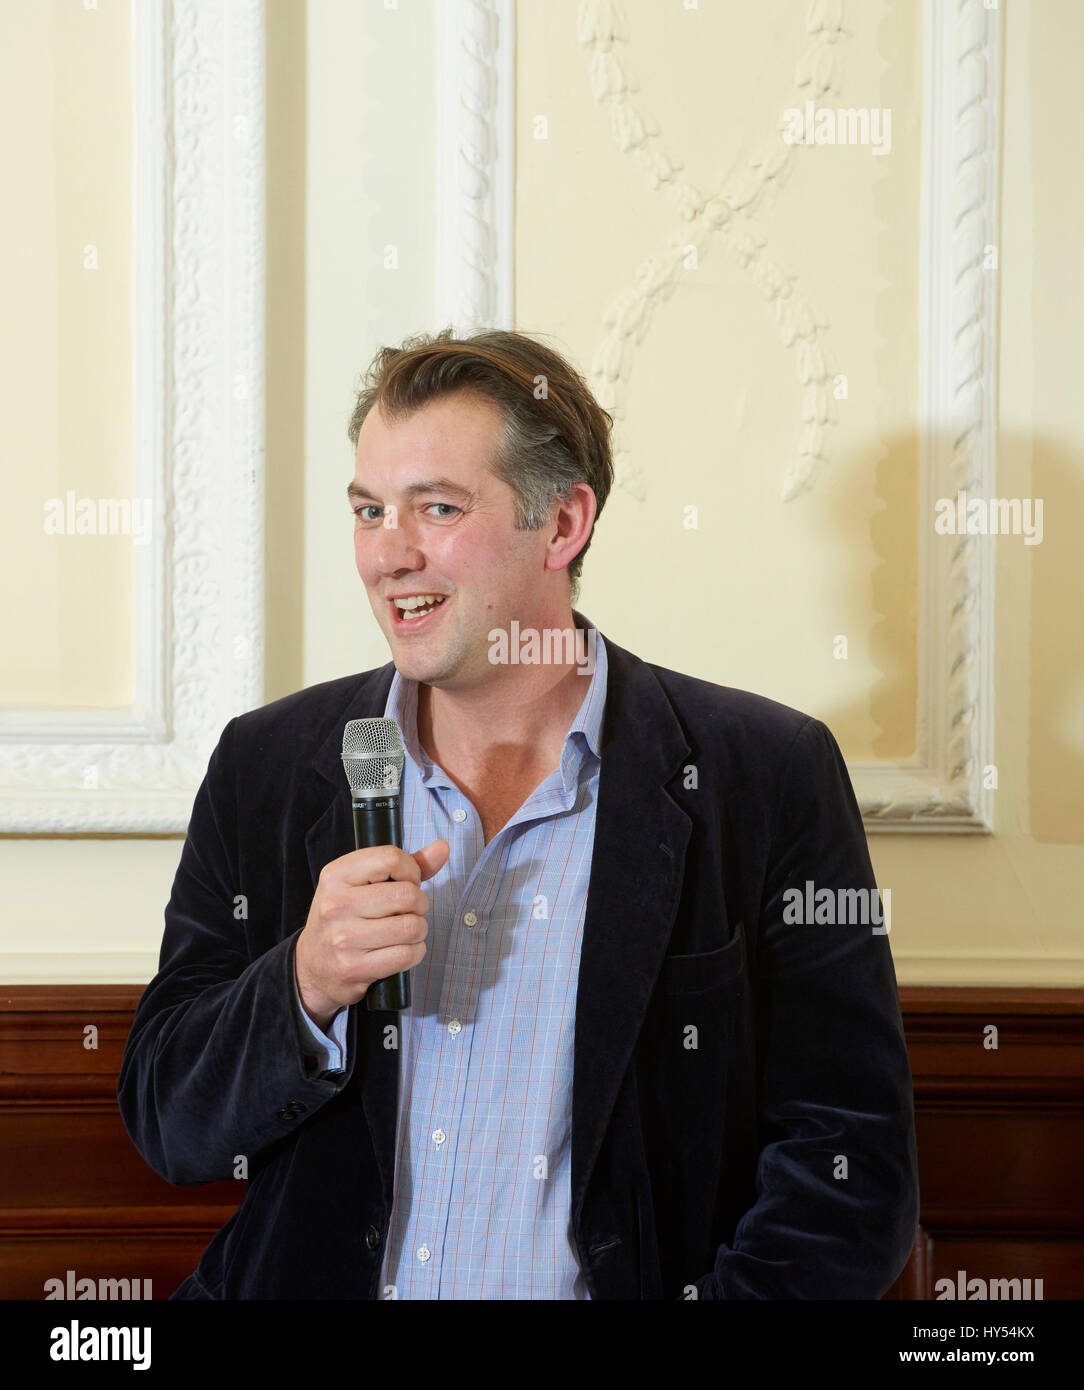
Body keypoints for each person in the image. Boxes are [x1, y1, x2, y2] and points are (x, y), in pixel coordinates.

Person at [117, 328, 919, 1300]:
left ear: (563, 523)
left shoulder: (764, 772)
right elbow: (168, 1121)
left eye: (437, 508)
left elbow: (849, 1166)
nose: (388, 553)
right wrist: (305, 981)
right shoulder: (270, 763)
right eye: (369, 510)